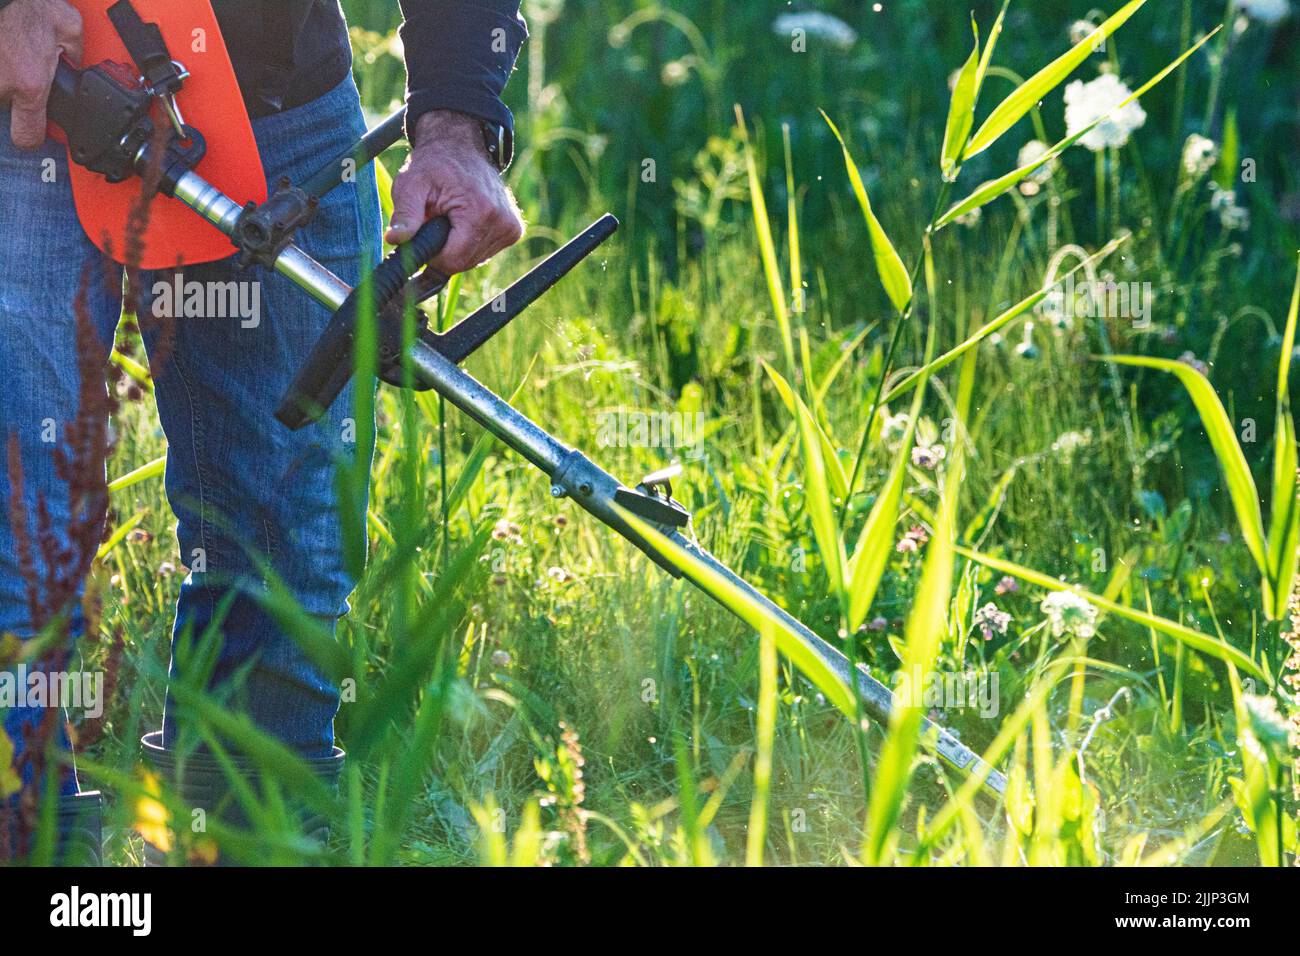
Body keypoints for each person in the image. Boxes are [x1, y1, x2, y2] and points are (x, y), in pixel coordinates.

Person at [0, 0, 526, 863]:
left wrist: (457, 122)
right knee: (13, 548)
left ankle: (247, 843)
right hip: (27, 98)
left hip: (270, 99)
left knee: (284, 546)